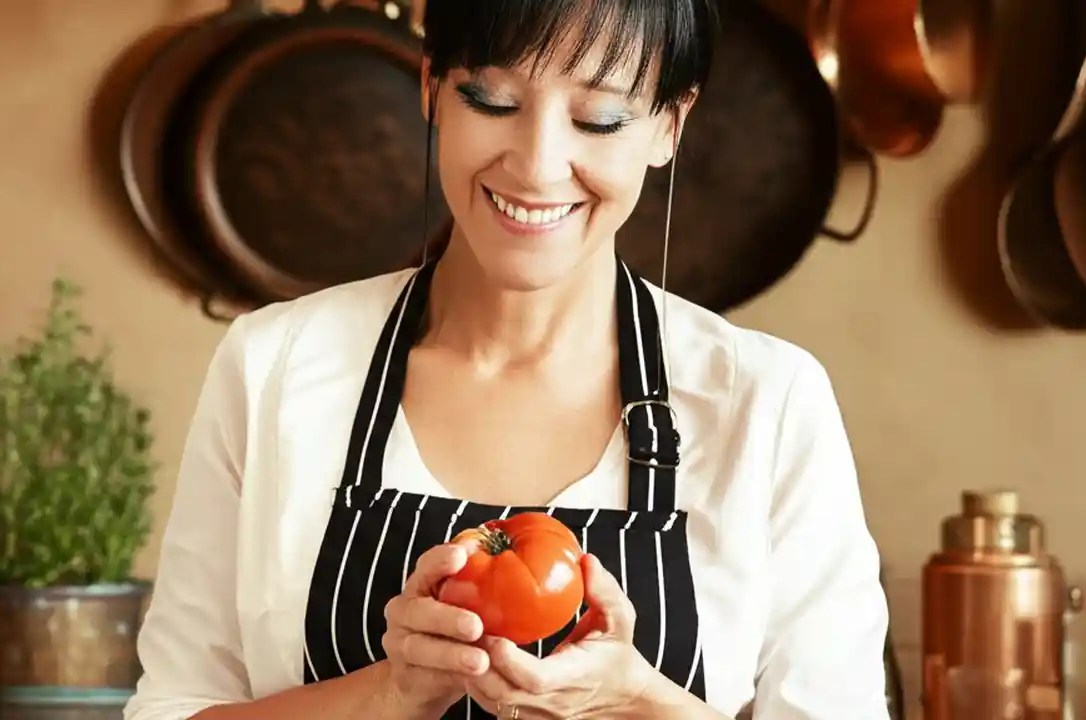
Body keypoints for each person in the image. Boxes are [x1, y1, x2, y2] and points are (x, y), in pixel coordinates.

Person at [123, 0, 892, 717]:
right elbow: (172, 707)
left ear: (668, 125)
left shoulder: (768, 402)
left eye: (600, 118)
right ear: (430, 87)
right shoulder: (274, 370)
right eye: (492, 101)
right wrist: (389, 693)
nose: (537, 164)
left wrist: (640, 705)